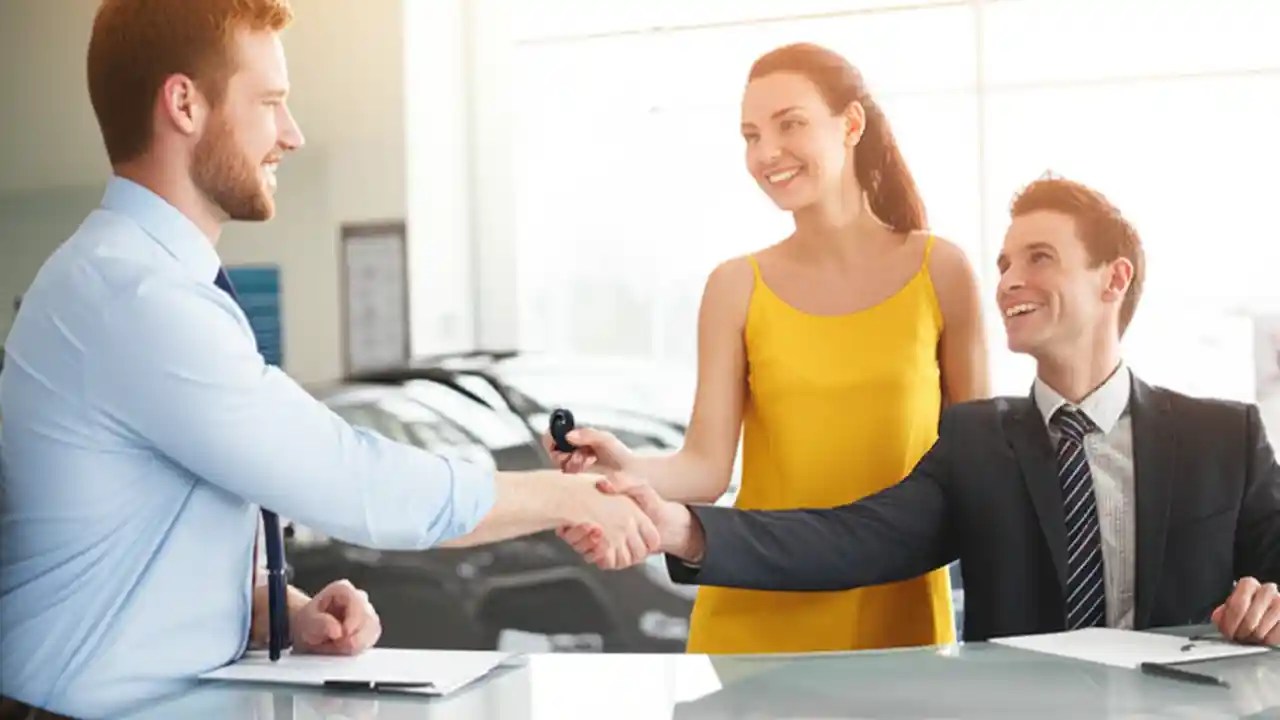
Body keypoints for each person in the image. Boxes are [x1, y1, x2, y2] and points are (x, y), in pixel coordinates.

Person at [0, 1, 655, 717]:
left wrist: (274, 610)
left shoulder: (146, 285)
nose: (292, 134)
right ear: (183, 103)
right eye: (272, 102)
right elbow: (354, 480)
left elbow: (131, 558)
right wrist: (563, 496)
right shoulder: (130, 295)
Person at [565, 176, 1280, 646]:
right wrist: (679, 527)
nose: (1009, 282)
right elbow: (851, 538)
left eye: (1039, 258)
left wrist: (1271, 606)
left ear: (1112, 280)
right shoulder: (977, 444)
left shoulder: (1224, 437)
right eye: (1003, 265)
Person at [546, 42, 990, 654]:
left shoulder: (941, 272)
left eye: (791, 125)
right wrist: (625, 465)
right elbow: (705, 470)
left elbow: (977, 471)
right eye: (751, 135)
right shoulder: (736, 287)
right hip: (757, 621)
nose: (765, 153)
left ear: (852, 123)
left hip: (898, 617)